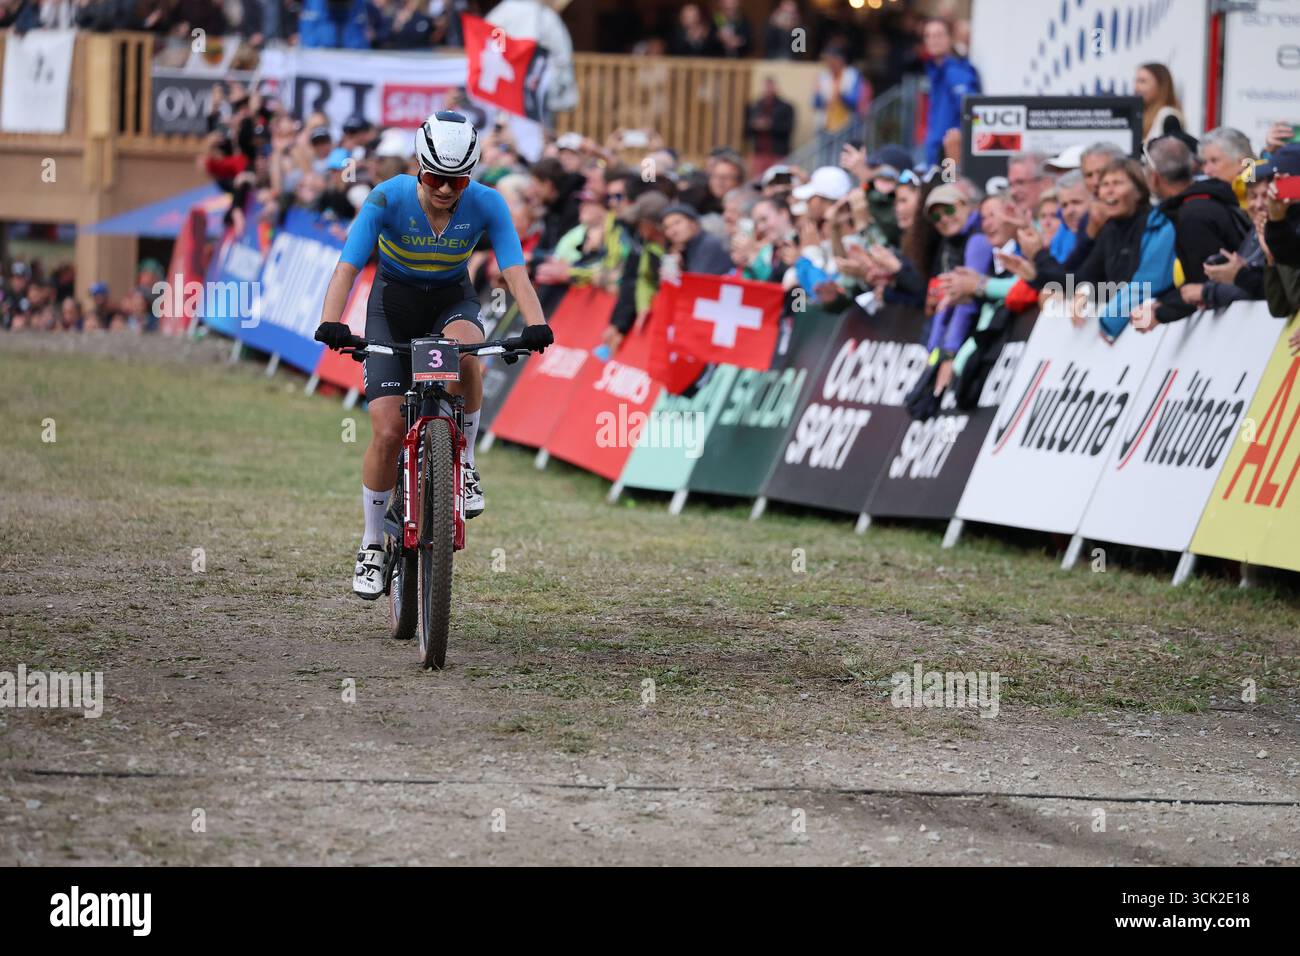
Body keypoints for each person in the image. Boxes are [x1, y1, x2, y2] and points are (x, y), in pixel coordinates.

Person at [313, 112, 554, 599]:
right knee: (387, 432)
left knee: (467, 356)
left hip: (450, 302)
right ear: (419, 168)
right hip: (392, 308)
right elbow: (347, 267)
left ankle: (464, 463)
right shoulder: (387, 197)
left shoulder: (487, 202)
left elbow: (514, 270)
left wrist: (536, 323)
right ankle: (372, 543)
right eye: (436, 178)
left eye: (458, 181)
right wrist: (331, 320)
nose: (445, 189)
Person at [1136, 135, 1251, 328]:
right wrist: (1164, 303)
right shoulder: (1207, 201)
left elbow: (1204, 285)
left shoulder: (1193, 216)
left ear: (1154, 178)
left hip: (1233, 325)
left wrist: (1162, 312)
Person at [922, 17, 981, 167]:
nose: (933, 40)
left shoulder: (956, 71)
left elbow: (974, 113)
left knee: (949, 184)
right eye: (928, 35)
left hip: (949, 156)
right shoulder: (935, 71)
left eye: (938, 35)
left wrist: (959, 143)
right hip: (935, 154)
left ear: (950, 38)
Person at [1136, 62, 1185, 145]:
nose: (1137, 87)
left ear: (1160, 85)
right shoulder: (1140, 114)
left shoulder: (1169, 117)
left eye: (1143, 81)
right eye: (1136, 81)